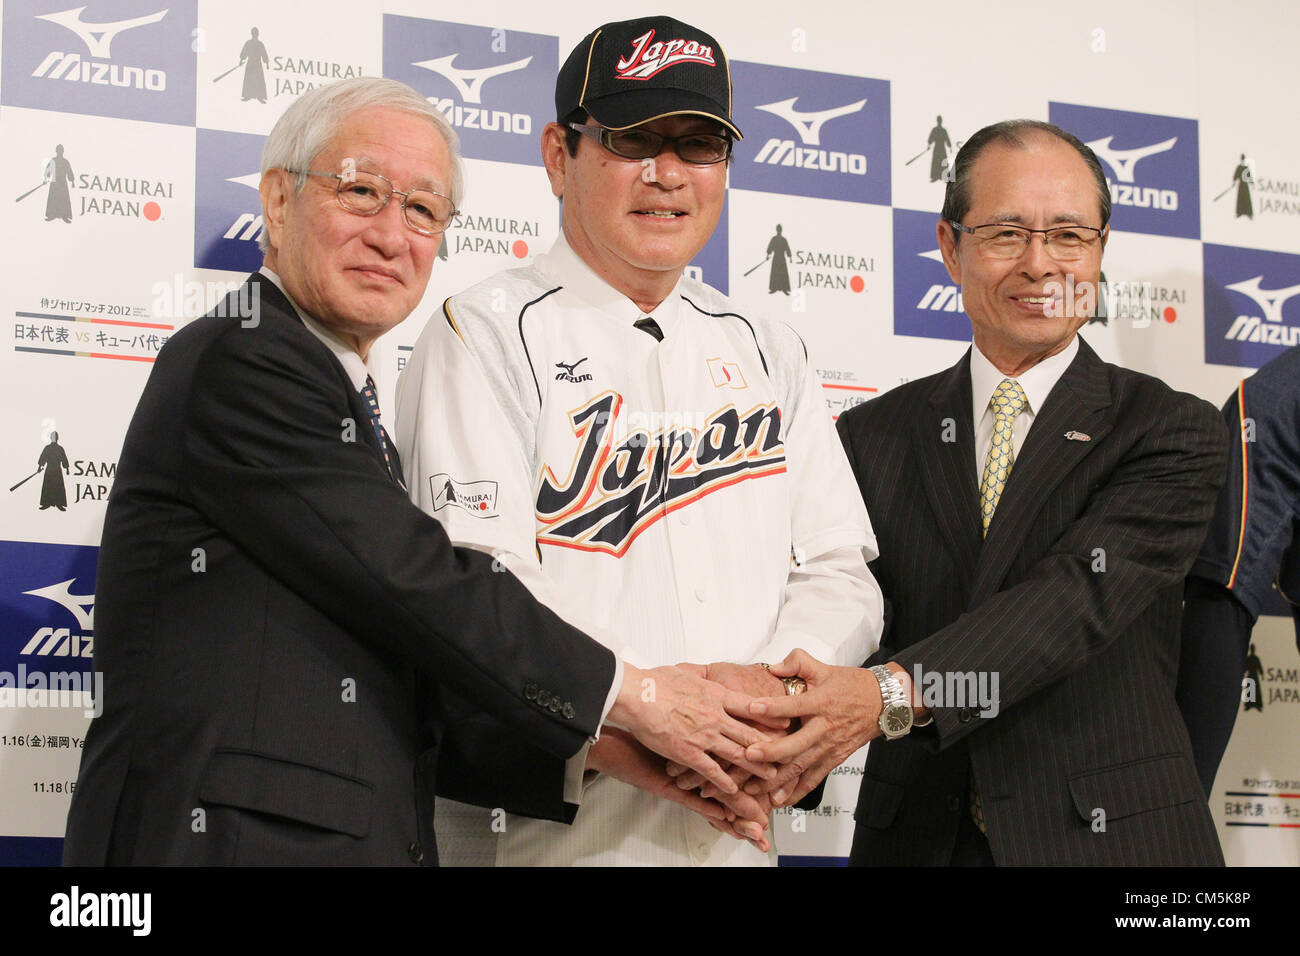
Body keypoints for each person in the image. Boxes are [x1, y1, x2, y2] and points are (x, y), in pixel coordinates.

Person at [61, 77, 772, 867]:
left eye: (424, 211)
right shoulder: (244, 356)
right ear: (279, 201)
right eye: (361, 192)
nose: (391, 236)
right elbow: (423, 584)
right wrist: (639, 696)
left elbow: (413, 660)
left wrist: (621, 758)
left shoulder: (346, 403)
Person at [395, 16, 882, 866]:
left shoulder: (767, 346)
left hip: (740, 830)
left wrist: (755, 703)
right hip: (555, 838)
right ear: (559, 155)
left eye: (699, 144)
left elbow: (840, 573)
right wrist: (653, 712)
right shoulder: (484, 332)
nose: (667, 173)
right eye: (631, 139)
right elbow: (477, 595)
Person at [743, 120, 1229, 866]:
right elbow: (840, 602)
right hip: (917, 839)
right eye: (1006, 234)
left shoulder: (1173, 428)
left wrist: (889, 696)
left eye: (1069, 236)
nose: (1040, 264)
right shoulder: (872, 434)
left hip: (1111, 841)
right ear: (950, 247)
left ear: (1100, 251)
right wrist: (770, 733)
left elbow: (1071, 601)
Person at [1178, 344, 1300, 794]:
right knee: (1222, 590)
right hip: (1277, 418)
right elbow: (1224, 587)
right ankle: (1176, 820)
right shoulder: (1277, 400)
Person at [37, 430, 69, 511]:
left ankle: (59, 504)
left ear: (57, 438)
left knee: (58, 487)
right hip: (49, 470)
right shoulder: (48, 448)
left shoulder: (60, 449)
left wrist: (67, 468)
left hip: (57, 470)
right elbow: (43, 458)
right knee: (48, 486)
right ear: (51, 438)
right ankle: (46, 503)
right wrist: (40, 467)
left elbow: (64, 459)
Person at [239, 27, 269, 103]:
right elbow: (244, 52)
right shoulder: (248, 43)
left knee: (258, 81)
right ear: (253, 34)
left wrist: (267, 63)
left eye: (256, 33)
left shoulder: (260, 44)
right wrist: (241, 60)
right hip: (251, 64)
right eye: (254, 33)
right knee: (249, 80)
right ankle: (247, 95)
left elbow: (264, 54)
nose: (255, 34)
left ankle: (260, 97)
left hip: (257, 65)